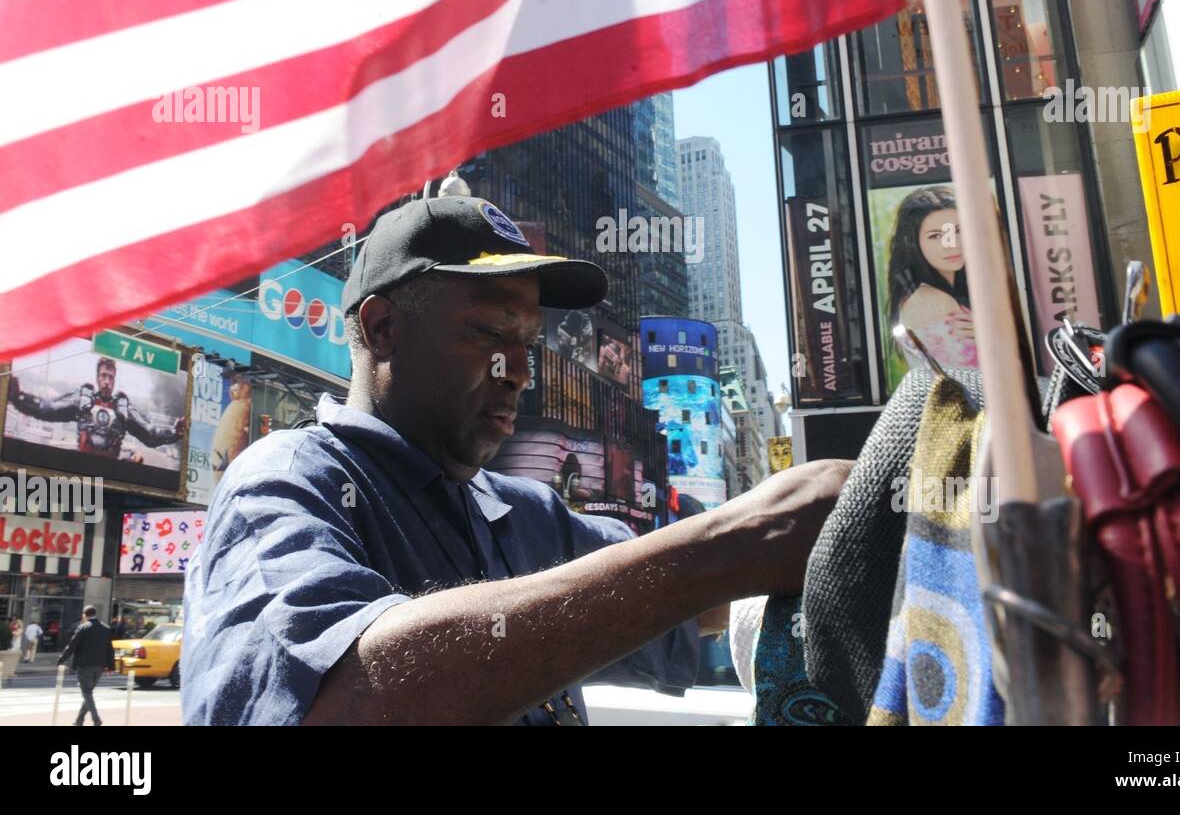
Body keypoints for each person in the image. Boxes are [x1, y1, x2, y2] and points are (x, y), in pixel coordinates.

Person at [182, 195, 849, 725]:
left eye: (531, 340)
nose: (521, 371)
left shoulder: (522, 514)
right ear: (383, 326)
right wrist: (734, 545)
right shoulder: (288, 483)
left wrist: (825, 537)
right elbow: (348, 697)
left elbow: (676, 594)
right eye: (492, 334)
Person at [8, 356, 186, 460]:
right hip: (80, 470)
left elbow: (150, 434)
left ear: (114, 379)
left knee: (137, 460)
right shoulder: (82, 400)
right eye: (104, 376)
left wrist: (174, 432)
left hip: (111, 471)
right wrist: (18, 397)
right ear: (98, 378)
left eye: (111, 376)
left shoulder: (122, 408)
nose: (107, 381)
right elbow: (48, 409)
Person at [886, 186, 978, 371]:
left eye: (958, 231)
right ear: (913, 244)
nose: (951, 244)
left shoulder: (934, 294)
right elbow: (970, 383)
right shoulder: (932, 301)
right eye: (935, 236)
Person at [57, 606, 116, 726]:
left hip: (84, 665)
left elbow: (72, 645)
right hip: (99, 666)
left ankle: (96, 719)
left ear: (85, 615)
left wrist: (61, 659)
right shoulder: (106, 628)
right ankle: (79, 720)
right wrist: (111, 666)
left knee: (87, 693)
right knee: (88, 693)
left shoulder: (83, 627)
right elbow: (110, 649)